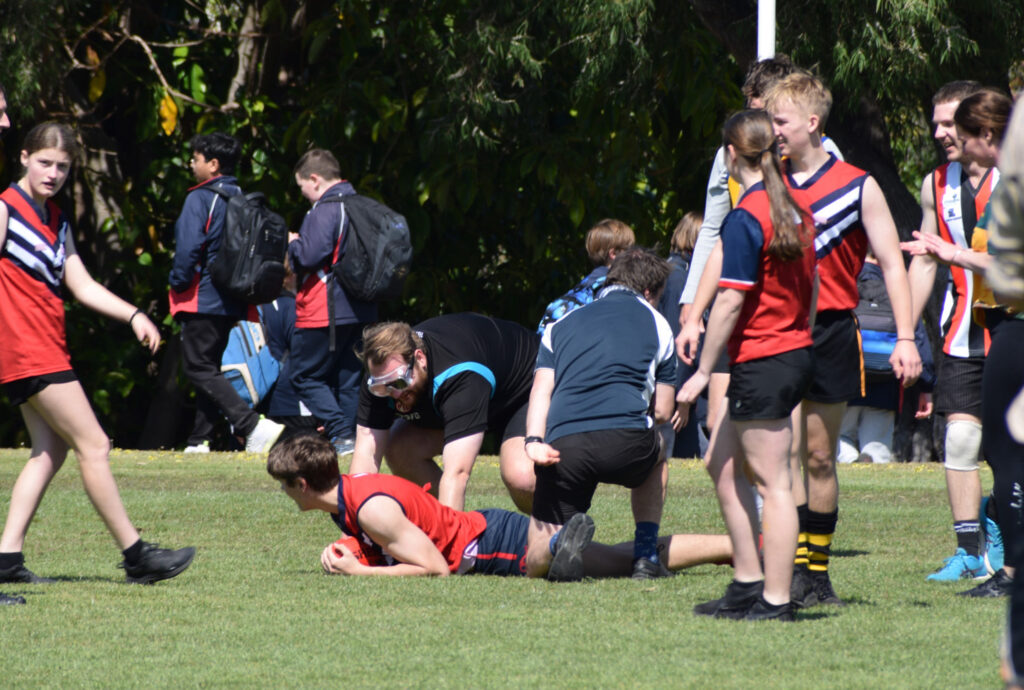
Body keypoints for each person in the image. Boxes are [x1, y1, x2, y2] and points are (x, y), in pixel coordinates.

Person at [0, 123, 195, 602]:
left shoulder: (57, 219)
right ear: (24, 157)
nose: (53, 173)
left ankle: (6, 559)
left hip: (45, 345)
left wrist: (134, 315)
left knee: (51, 449)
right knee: (93, 444)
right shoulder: (5, 207)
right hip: (25, 349)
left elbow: (81, 285)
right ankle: (136, 555)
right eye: (44, 162)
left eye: (63, 166)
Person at [765, 71, 922, 607]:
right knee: (779, 454)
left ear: (812, 123)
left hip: (832, 331)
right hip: (776, 331)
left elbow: (894, 266)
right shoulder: (767, 180)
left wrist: (906, 337)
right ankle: (783, 571)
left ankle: (818, 572)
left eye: (779, 119)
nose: (772, 130)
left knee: (819, 456)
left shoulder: (859, 184)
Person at [676, 109, 816, 621]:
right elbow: (812, 289)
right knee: (721, 465)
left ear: (731, 155)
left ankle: (776, 601)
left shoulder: (746, 216)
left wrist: (700, 372)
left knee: (774, 483)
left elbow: (731, 303)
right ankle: (746, 582)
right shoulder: (794, 210)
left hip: (765, 358)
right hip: (787, 352)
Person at [267, 433, 732, 577]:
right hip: (488, 531)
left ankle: (734, 547)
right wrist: (350, 546)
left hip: (494, 545)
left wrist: (362, 573)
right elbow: (383, 538)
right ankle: (558, 547)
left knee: (621, 561)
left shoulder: (371, 506)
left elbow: (434, 568)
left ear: (303, 483)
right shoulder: (350, 495)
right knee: (621, 557)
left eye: (285, 486)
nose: (285, 495)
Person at [676, 56, 843, 443]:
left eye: (767, 113)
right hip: (736, 287)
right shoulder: (730, 155)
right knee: (718, 427)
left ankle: (781, 502)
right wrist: (692, 303)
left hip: (788, 305)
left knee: (784, 440)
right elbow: (715, 229)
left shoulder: (819, 153)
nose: (760, 125)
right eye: (751, 109)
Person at [904, 88, 1015, 598]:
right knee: (962, 440)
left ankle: (1003, 532)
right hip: (963, 332)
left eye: (951, 124)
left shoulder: (1011, 174)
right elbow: (926, 259)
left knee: (1007, 446)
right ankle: (970, 553)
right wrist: (905, 333)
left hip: (1010, 326)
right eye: (938, 123)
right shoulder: (935, 184)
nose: (940, 133)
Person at [524, 248, 678, 581]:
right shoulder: (660, 325)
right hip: (628, 442)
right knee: (658, 452)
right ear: (649, 291)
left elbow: (540, 391)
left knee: (534, 560)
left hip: (562, 447)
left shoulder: (559, 325)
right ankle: (646, 556)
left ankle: (556, 543)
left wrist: (534, 440)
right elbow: (664, 411)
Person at [349, 313, 538, 513]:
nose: (394, 394)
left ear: (419, 358)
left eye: (399, 382)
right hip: (478, 396)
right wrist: (350, 536)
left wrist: (446, 543)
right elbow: (364, 462)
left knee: (521, 476)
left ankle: (563, 532)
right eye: (382, 387)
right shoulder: (382, 375)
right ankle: (446, 523)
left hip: (526, 391)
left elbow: (457, 474)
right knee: (400, 448)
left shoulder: (459, 374)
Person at [169, 131, 284, 453]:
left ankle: (251, 426)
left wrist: (178, 282)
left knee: (197, 366)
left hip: (202, 297)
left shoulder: (201, 198)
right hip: (233, 298)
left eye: (196, 159)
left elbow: (189, 249)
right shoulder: (241, 198)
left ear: (213, 164)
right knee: (208, 365)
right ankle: (199, 440)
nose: (192, 165)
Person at [287, 149, 377, 457]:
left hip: (325, 309)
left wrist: (293, 244)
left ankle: (340, 433)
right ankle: (349, 440)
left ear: (314, 179)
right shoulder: (362, 205)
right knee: (349, 378)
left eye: (303, 188)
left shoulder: (326, 209)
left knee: (303, 374)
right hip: (361, 307)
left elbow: (310, 255)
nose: (304, 195)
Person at [838, 256, 935, 465]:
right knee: (878, 440)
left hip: (847, 379)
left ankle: (848, 459)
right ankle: (871, 458)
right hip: (886, 381)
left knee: (842, 434)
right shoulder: (898, 291)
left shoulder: (844, 284)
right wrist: (925, 384)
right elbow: (916, 336)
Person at [536, 218, 635, 333]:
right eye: (629, 250)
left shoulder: (581, 288)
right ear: (613, 254)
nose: (634, 256)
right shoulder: (613, 290)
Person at [657, 212, 702, 459]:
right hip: (676, 391)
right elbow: (680, 339)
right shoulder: (679, 278)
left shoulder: (669, 271)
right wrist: (682, 397)